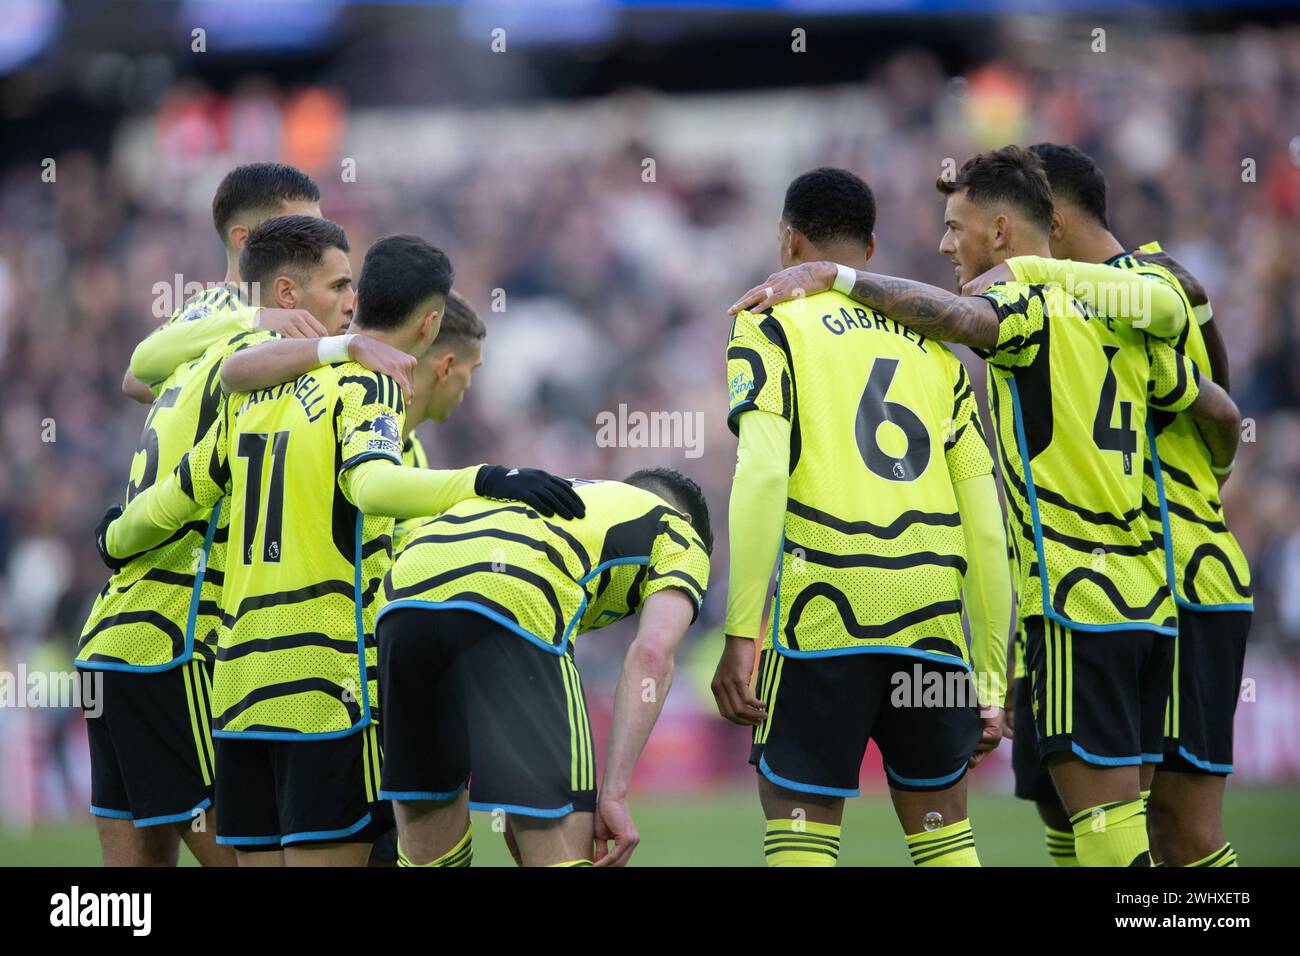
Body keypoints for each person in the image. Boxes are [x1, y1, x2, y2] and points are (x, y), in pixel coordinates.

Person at [730, 145, 1243, 866]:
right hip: (1152, 603)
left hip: (1074, 598)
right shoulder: (1131, 309)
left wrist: (835, 278)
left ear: (1000, 232)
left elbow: (961, 322)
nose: (945, 243)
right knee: (1107, 822)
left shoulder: (1019, 302)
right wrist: (1215, 473)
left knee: (1106, 828)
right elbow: (1220, 408)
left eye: (955, 226)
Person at [97, 234, 582, 865]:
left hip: (239, 690)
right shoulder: (364, 386)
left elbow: (176, 494)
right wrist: (486, 480)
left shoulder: (255, 392)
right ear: (431, 323)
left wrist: (112, 536)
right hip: (326, 687)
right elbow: (371, 483)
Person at [713, 167, 1011, 867]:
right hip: (933, 625)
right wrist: (992, 677)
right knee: (945, 838)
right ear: (872, 250)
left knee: (803, 832)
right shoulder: (938, 348)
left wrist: (738, 632)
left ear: (789, 242)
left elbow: (759, 475)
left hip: (825, 615)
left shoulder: (770, 322)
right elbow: (988, 525)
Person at [77, 214, 360, 866]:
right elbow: (197, 480)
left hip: (113, 638)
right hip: (174, 643)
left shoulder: (192, 352)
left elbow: (136, 372)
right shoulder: (254, 369)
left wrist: (115, 535)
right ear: (283, 288)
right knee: (249, 856)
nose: (351, 302)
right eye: (340, 283)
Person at [1030, 142, 1251, 867]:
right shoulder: (1156, 282)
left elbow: (1218, 408)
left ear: (1052, 222)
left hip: (1176, 577)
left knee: (1173, 830)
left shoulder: (1125, 289)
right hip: (1124, 578)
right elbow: (1221, 411)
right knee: (1077, 810)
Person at [377, 468, 711, 867]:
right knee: (560, 860)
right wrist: (615, 794)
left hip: (403, 595)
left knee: (429, 859)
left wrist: (513, 797)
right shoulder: (678, 530)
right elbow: (652, 654)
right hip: (514, 593)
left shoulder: (565, 499)